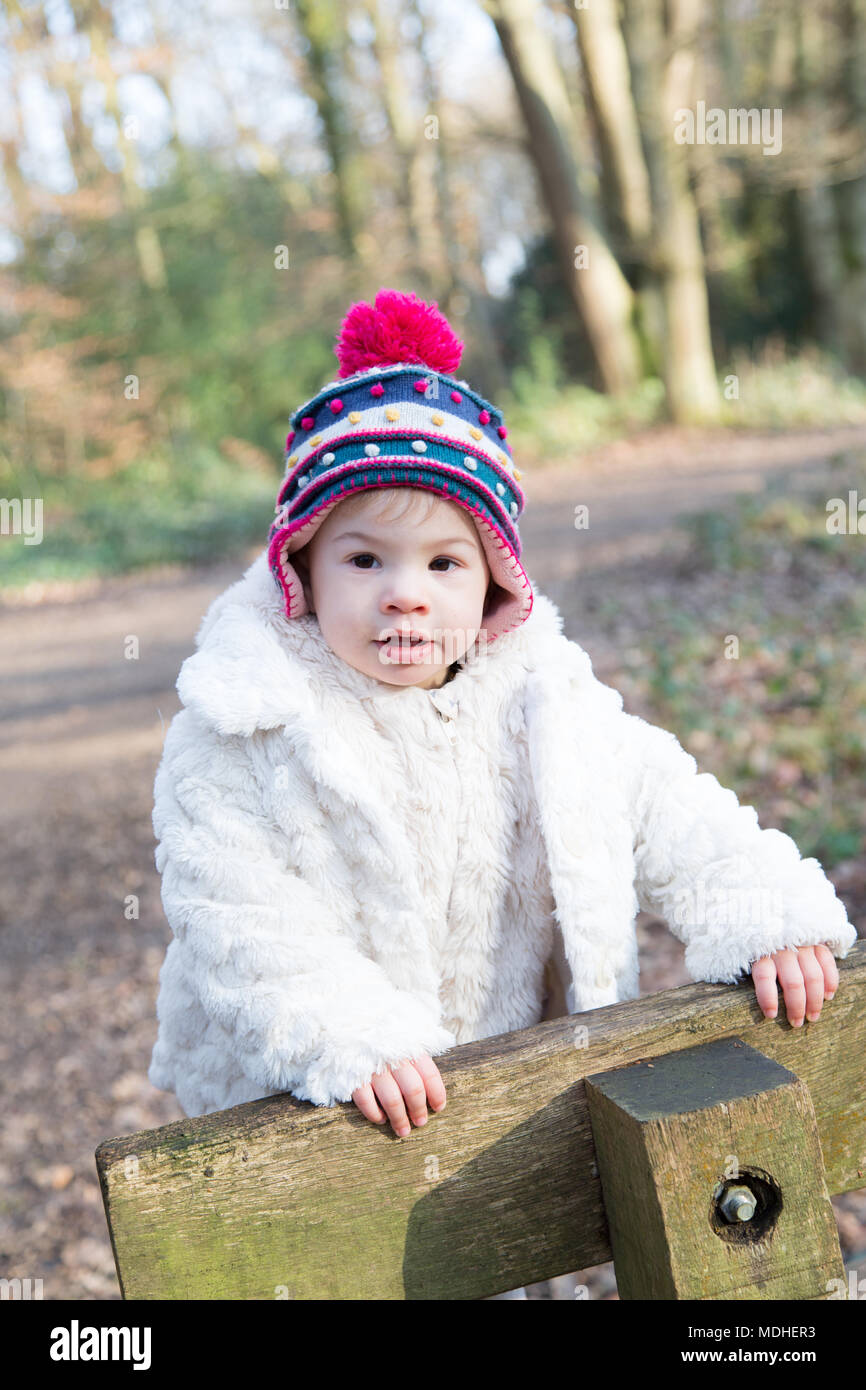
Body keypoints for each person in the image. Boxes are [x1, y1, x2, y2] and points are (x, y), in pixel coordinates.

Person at [147, 289, 856, 1298]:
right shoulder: (244, 720)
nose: (406, 592)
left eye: (444, 561)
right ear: (300, 566)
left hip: (494, 1093)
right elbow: (237, 914)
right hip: (307, 1103)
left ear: (494, 587)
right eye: (364, 558)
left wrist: (762, 913)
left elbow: (669, 804)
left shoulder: (541, 700)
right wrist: (345, 1033)